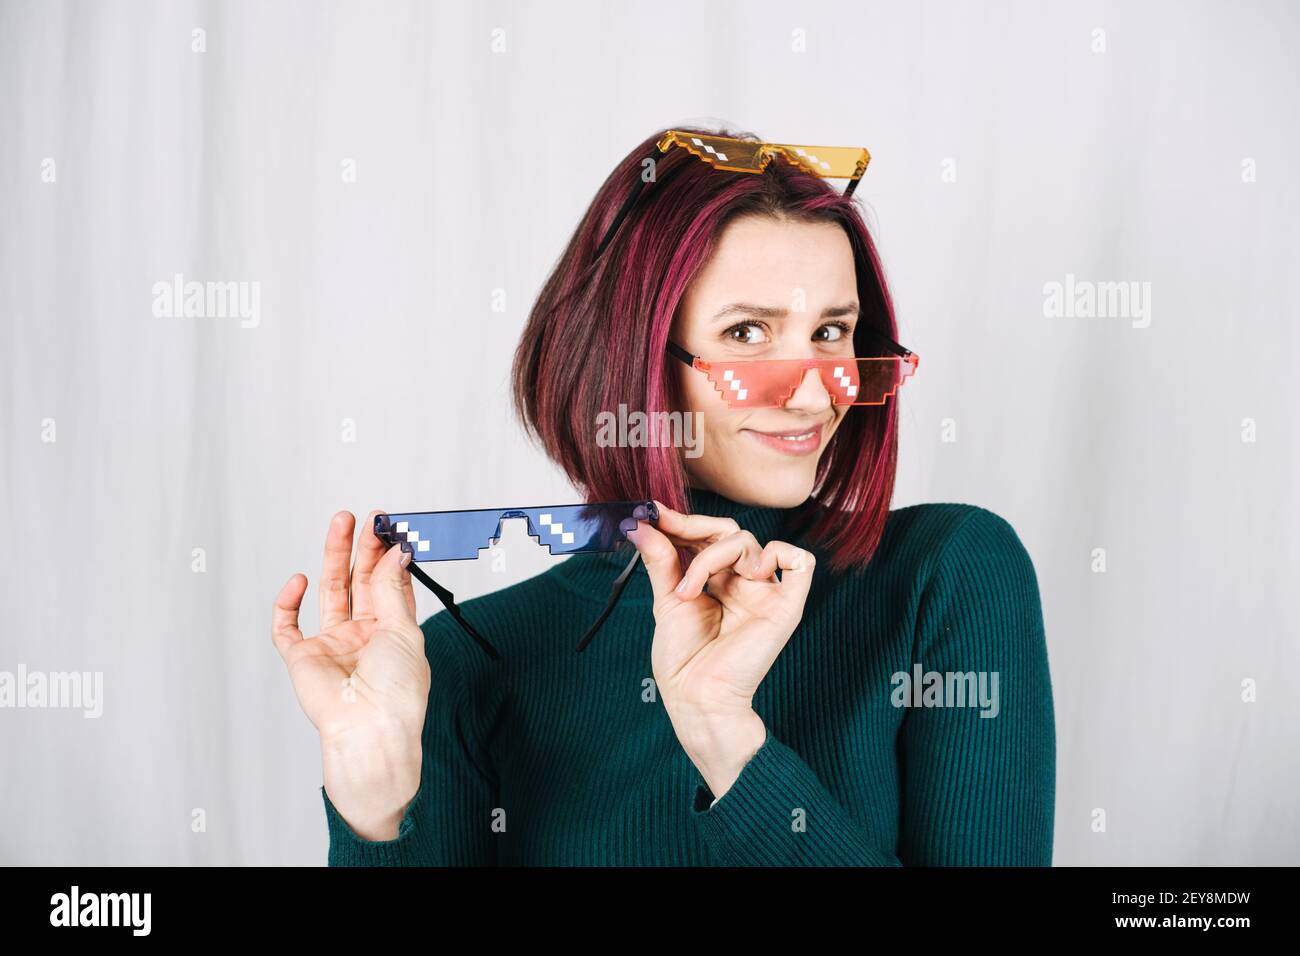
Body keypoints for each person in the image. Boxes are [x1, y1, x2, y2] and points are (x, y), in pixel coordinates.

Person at [272, 125, 1056, 865]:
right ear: (634, 357)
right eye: (748, 333)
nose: (815, 394)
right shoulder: (455, 664)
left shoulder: (948, 574)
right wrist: (375, 815)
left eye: (832, 332)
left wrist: (727, 739)